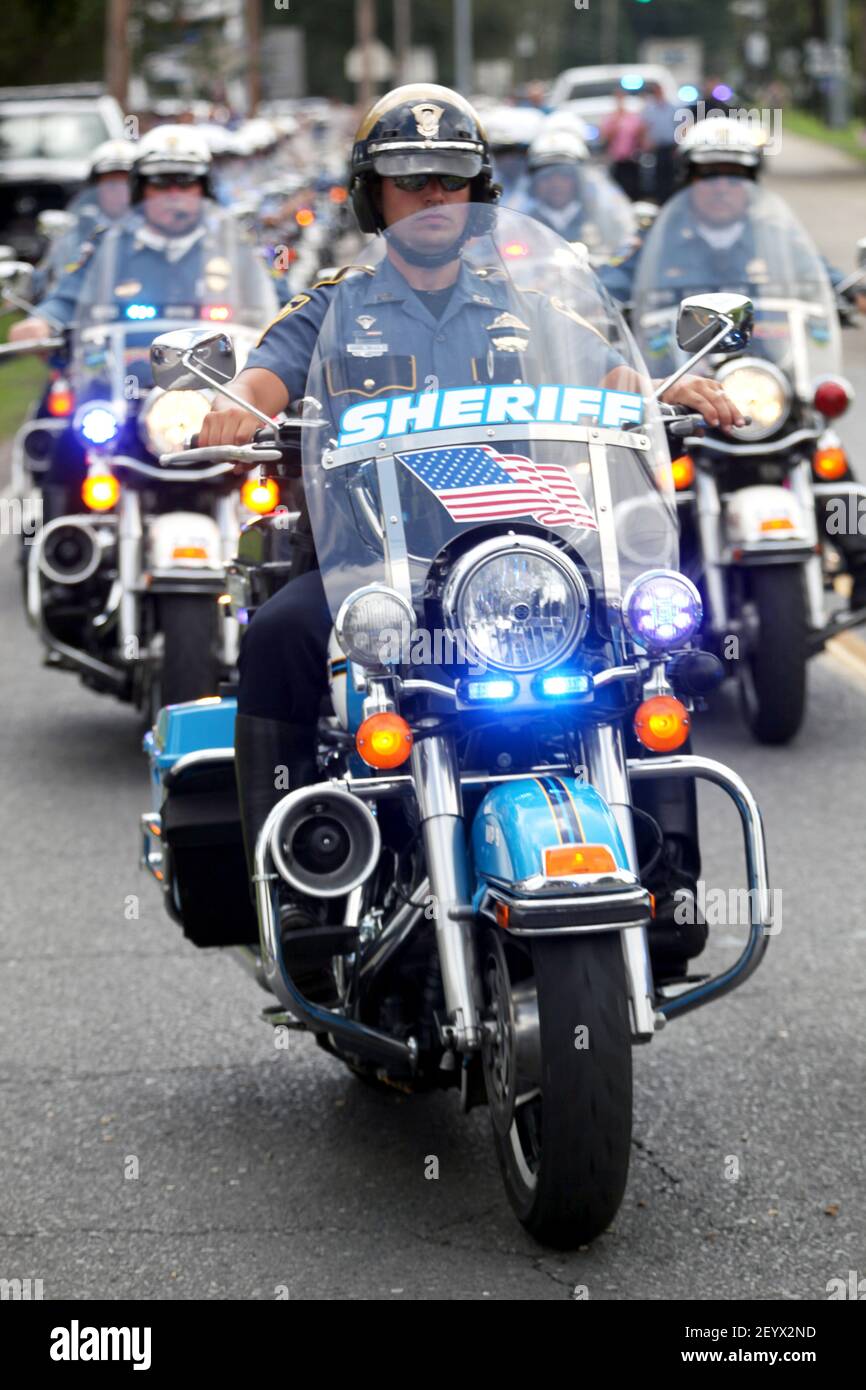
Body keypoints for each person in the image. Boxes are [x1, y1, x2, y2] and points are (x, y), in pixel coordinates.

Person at [193, 84, 743, 970]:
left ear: (479, 194)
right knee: (281, 634)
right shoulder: (336, 307)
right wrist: (228, 412)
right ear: (375, 195)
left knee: (654, 637)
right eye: (411, 183)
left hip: (520, 567)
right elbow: (263, 377)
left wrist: (661, 394)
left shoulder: (526, 302)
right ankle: (299, 888)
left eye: (451, 181)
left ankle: (666, 879)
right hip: (372, 569)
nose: (434, 200)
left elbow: (609, 377)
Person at [10, 125, 230, 341]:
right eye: (159, 183)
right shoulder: (109, 244)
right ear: (140, 190)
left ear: (205, 188)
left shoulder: (231, 244)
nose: (173, 194)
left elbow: (264, 305)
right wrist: (41, 322)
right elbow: (67, 300)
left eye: (185, 182)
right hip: (126, 372)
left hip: (223, 374)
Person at [600, 89, 644, 201]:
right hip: (617, 159)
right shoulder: (610, 118)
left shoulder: (632, 117)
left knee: (633, 187)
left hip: (631, 158)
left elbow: (639, 135)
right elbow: (605, 138)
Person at [641, 81, 679, 204]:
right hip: (657, 148)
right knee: (658, 175)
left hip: (671, 147)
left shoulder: (672, 107)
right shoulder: (649, 109)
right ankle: (660, 199)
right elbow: (645, 127)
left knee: (671, 174)